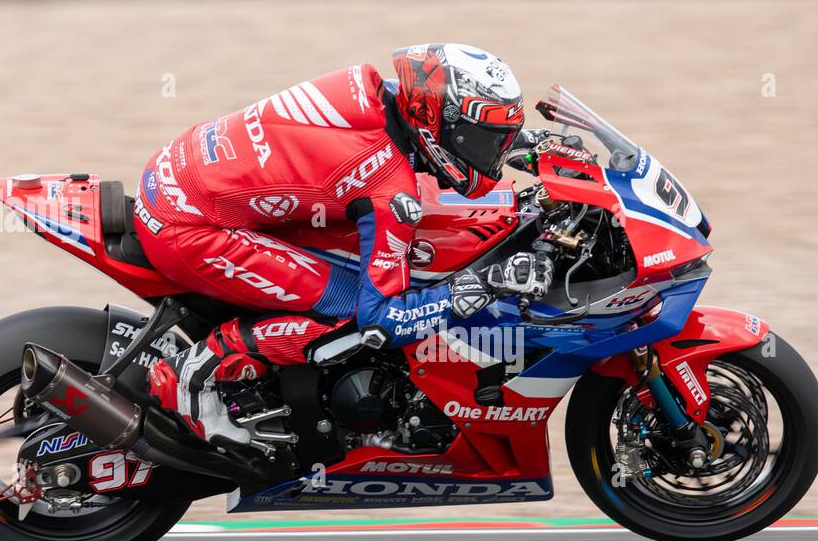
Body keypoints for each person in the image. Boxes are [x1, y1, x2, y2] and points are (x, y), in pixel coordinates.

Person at [137, 43, 552, 446]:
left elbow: (434, 135)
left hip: (176, 173)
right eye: (483, 139)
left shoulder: (376, 90)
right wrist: (477, 286)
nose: (490, 152)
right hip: (188, 227)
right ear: (437, 121)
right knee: (350, 312)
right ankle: (196, 371)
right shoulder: (388, 190)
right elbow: (382, 319)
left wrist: (523, 144)